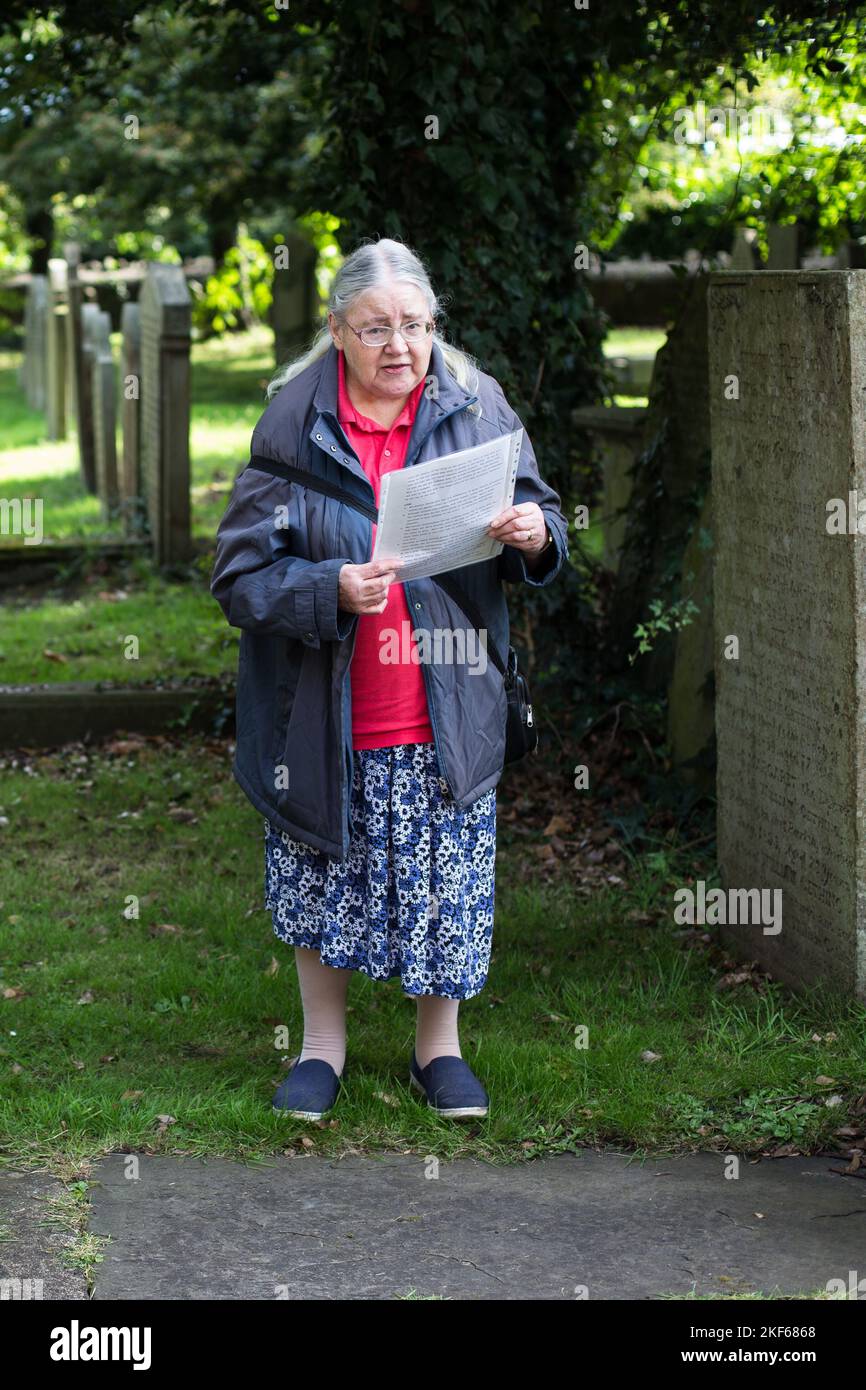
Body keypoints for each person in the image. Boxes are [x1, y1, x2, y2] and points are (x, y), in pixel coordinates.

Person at [210, 237, 568, 1123]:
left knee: (443, 877)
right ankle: (320, 1050)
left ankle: (436, 1049)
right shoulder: (293, 423)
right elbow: (239, 576)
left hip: (442, 698)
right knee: (322, 865)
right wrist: (324, 587)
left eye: (415, 325)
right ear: (338, 332)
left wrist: (534, 533)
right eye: (377, 329)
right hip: (324, 708)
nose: (401, 346)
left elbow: (545, 510)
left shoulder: (477, 403)